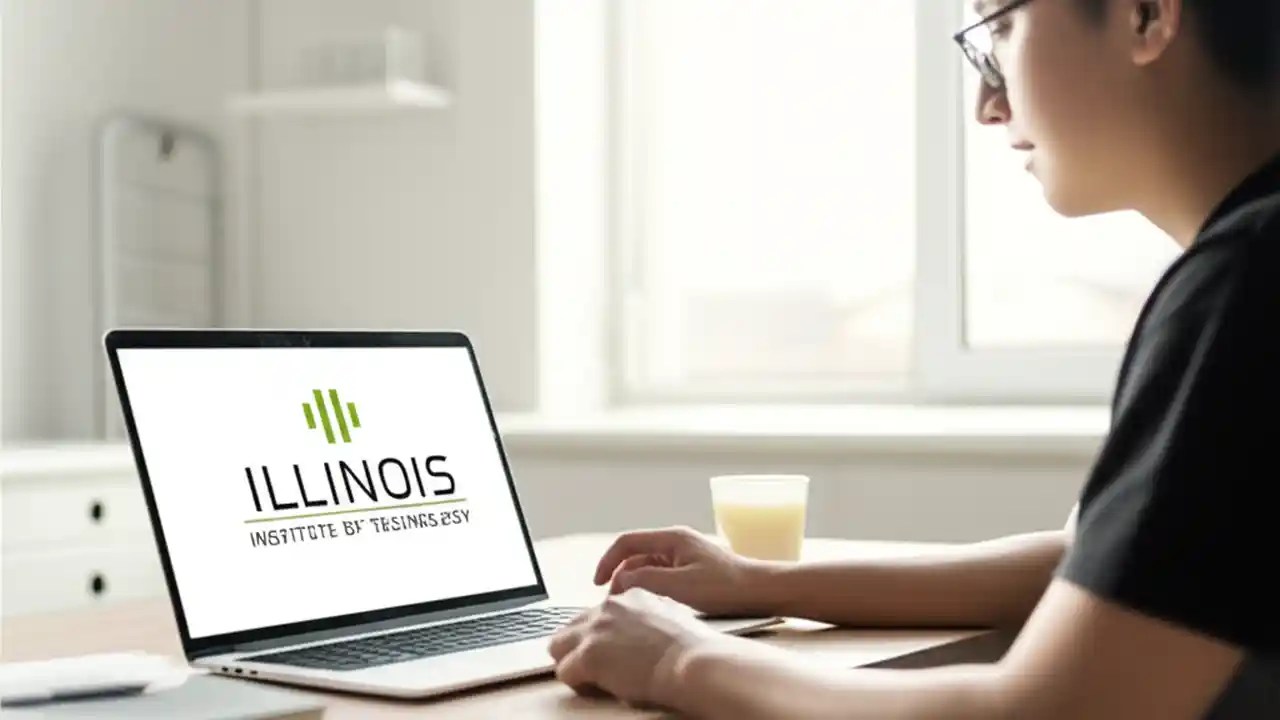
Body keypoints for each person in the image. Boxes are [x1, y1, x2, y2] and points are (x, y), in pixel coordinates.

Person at [548, 0, 1280, 717]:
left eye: (1001, 27)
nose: (987, 105)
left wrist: (678, 661)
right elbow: (1108, 567)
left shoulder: (1247, 280)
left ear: (1146, 15)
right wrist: (759, 581)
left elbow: (1053, 709)